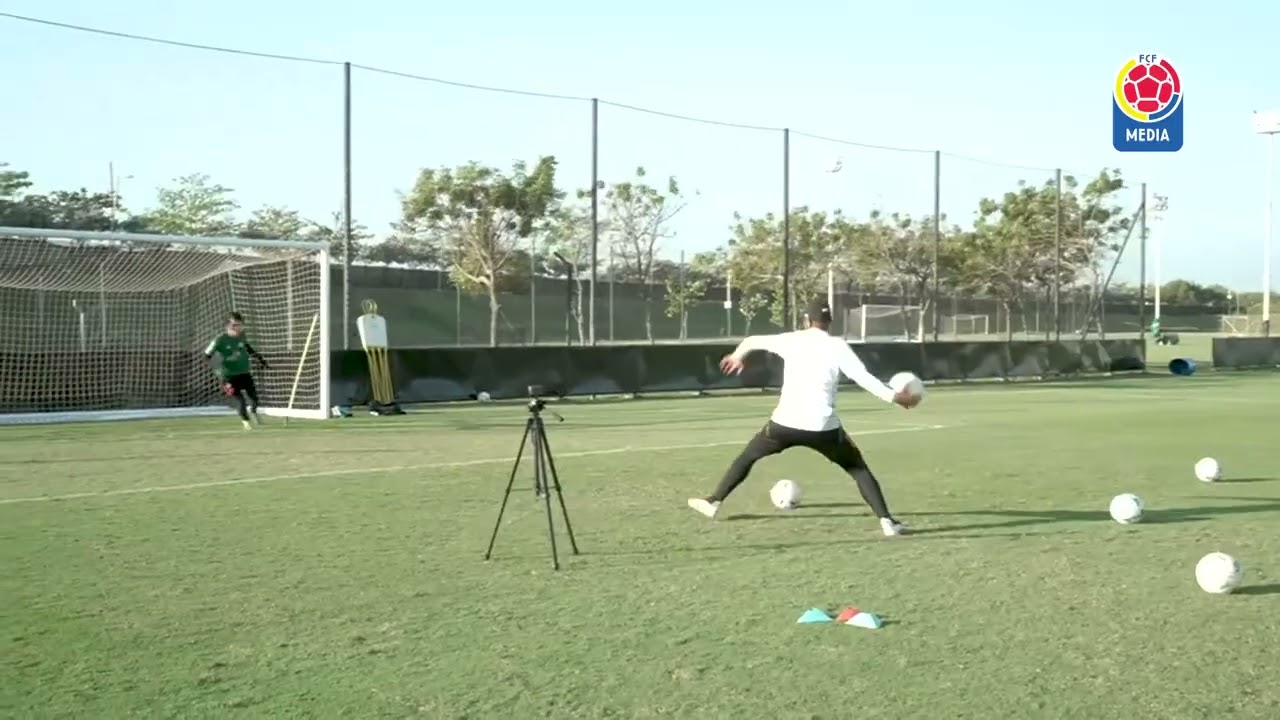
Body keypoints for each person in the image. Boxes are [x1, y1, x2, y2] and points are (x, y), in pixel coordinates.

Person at [687, 300, 920, 536]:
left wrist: (737, 356)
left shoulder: (791, 340)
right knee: (858, 470)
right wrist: (897, 398)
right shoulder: (837, 346)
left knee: (747, 457)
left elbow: (752, 340)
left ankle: (714, 501)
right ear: (829, 322)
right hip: (823, 428)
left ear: (806, 320)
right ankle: (887, 522)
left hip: (784, 424)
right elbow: (864, 378)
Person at [204, 312, 269, 430]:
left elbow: (249, 349)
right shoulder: (220, 340)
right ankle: (246, 423)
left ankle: (254, 412)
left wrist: (261, 360)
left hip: (244, 374)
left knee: (254, 399)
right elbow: (206, 356)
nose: (238, 328)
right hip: (228, 377)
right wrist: (217, 371)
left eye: (240, 325)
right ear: (227, 326)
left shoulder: (242, 337)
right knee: (240, 401)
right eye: (234, 325)